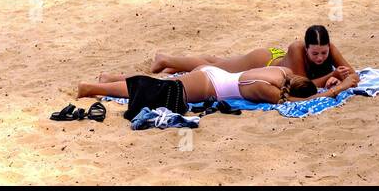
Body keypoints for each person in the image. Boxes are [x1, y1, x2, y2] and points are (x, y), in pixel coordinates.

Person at [143, 25, 359, 95]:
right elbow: (301, 84)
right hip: (263, 62)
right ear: (307, 47)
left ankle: (171, 65)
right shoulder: (296, 49)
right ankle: (166, 59)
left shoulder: (329, 48)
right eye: (315, 54)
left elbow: (353, 73)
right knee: (214, 67)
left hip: (271, 63)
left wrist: (339, 76)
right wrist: (333, 76)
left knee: (216, 60)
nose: (321, 57)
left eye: (323, 53)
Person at [76, 65, 323, 106]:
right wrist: (335, 89)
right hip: (208, 84)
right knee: (159, 90)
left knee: (162, 83)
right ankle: (92, 88)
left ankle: (110, 78)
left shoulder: (284, 72)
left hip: (213, 74)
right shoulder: (268, 91)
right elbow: (290, 104)